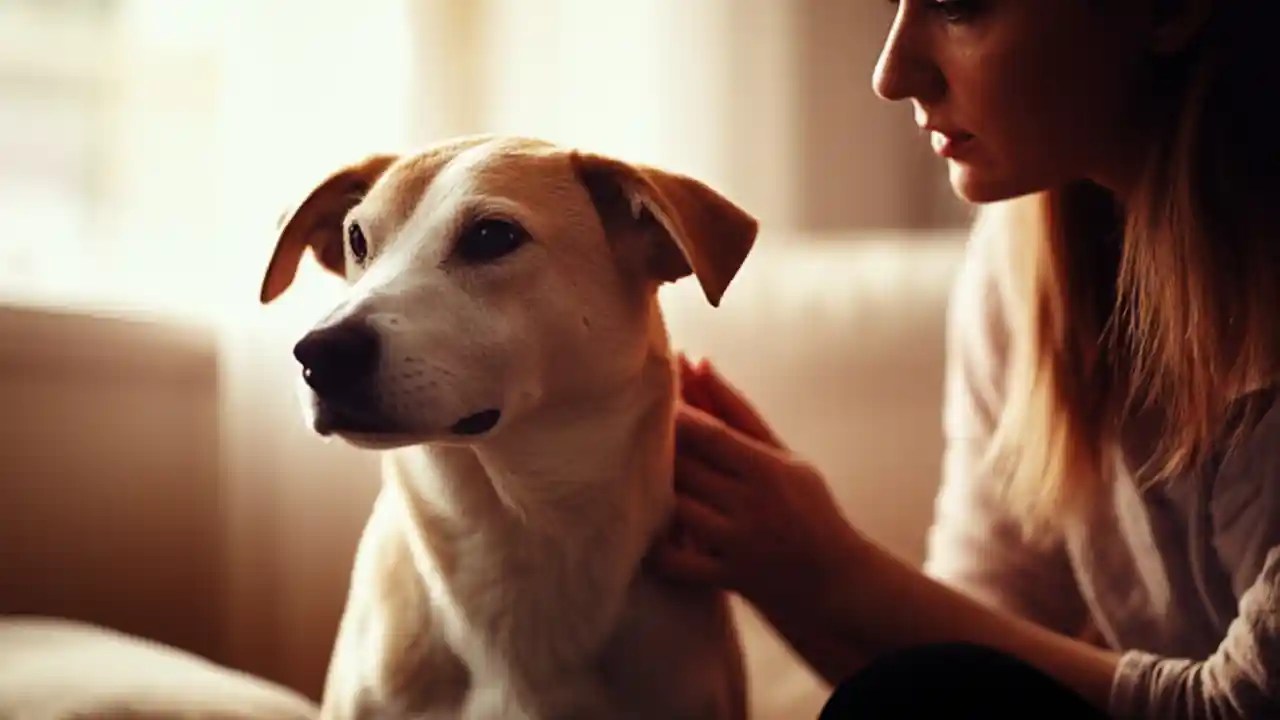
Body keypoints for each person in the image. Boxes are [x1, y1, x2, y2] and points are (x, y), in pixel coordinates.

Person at [648, 1, 1279, 718]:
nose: (891, 75)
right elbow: (969, 665)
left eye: (956, 7)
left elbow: (1243, 706)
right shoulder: (1027, 262)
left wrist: (835, 568)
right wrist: (780, 565)